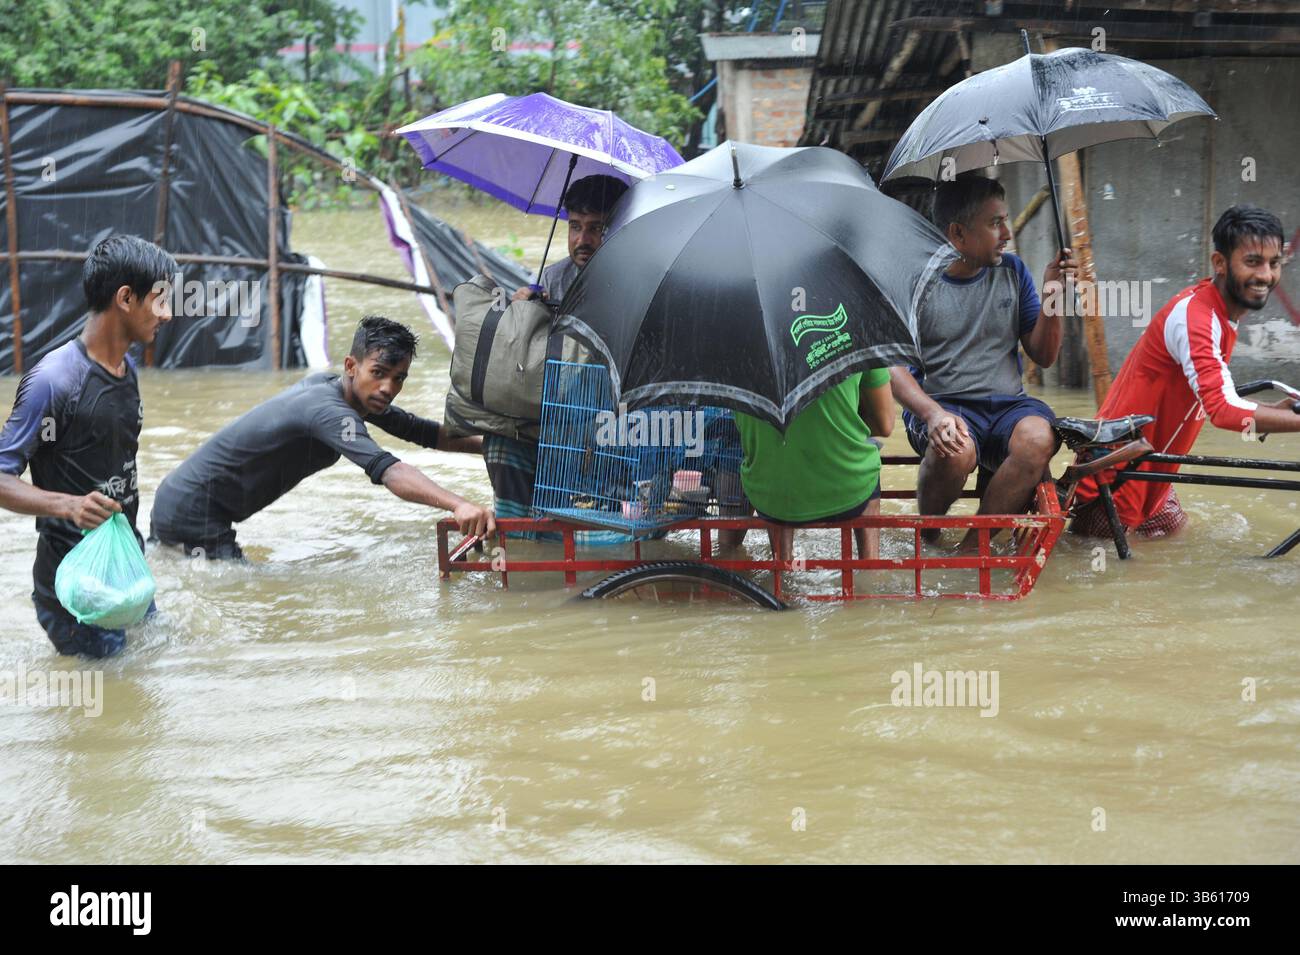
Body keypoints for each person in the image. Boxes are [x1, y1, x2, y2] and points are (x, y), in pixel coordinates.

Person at [149, 315, 493, 558]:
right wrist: (458, 504)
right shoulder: (327, 409)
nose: (388, 388)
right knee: (240, 594)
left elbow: (424, 432)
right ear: (350, 366)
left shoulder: (354, 394)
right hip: (192, 511)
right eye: (379, 374)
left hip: (188, 501)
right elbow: (389, 470)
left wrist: (492, 446)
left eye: (399, 378)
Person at [1072, 204, 1298, 538]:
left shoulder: (1221, 314)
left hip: (1153, 475)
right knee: (1125, 580)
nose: (1265, 275)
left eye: (1273, 263)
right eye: (1253, 262)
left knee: (1176, 548)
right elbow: (1221, 410)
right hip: (1117, 480)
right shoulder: (1197, 317)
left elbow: (1216, 393)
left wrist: (1268, 414)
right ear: (1220, 263)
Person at [0, 234, 174, 657]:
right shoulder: (54, 382)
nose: (168, 314)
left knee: (150, 688)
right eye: (160, 299)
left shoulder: (126, 369)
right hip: (76, 588)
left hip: (123, 566)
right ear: (126, 298)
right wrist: (67, 506)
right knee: (107, 706)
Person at [890, 173, 1076, 548]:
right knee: (955, 447)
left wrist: (1054, 293)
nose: (1007, 233)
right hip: (943, 404)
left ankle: (973, 549)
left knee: (1040, 437)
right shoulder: (916, 282)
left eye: (1005, 221)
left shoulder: (1013, 272)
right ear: (958, 234)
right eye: (995, 223)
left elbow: (1044, 355)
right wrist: (933, 415)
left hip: (1007, 405)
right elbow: (892, 368)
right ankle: (928, 536)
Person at [486, 174, 629, 533]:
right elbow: (529, 359)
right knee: (502, 434)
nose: (582, 240)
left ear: (618, 229)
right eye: (575, 227)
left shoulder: (635, 277)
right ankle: (523, 533)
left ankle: (596, 525)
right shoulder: (554, 279)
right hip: (561, 404)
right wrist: (522, 313)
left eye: (596, 228)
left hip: (616, 410)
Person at [733, 370, 895, 561]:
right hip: (849, 489)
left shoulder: (739, 352)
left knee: (778, 453)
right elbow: (885, 425)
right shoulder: (859, 341)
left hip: (771, 495)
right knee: (867, 454)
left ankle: (782, 562)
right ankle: (870, 572)